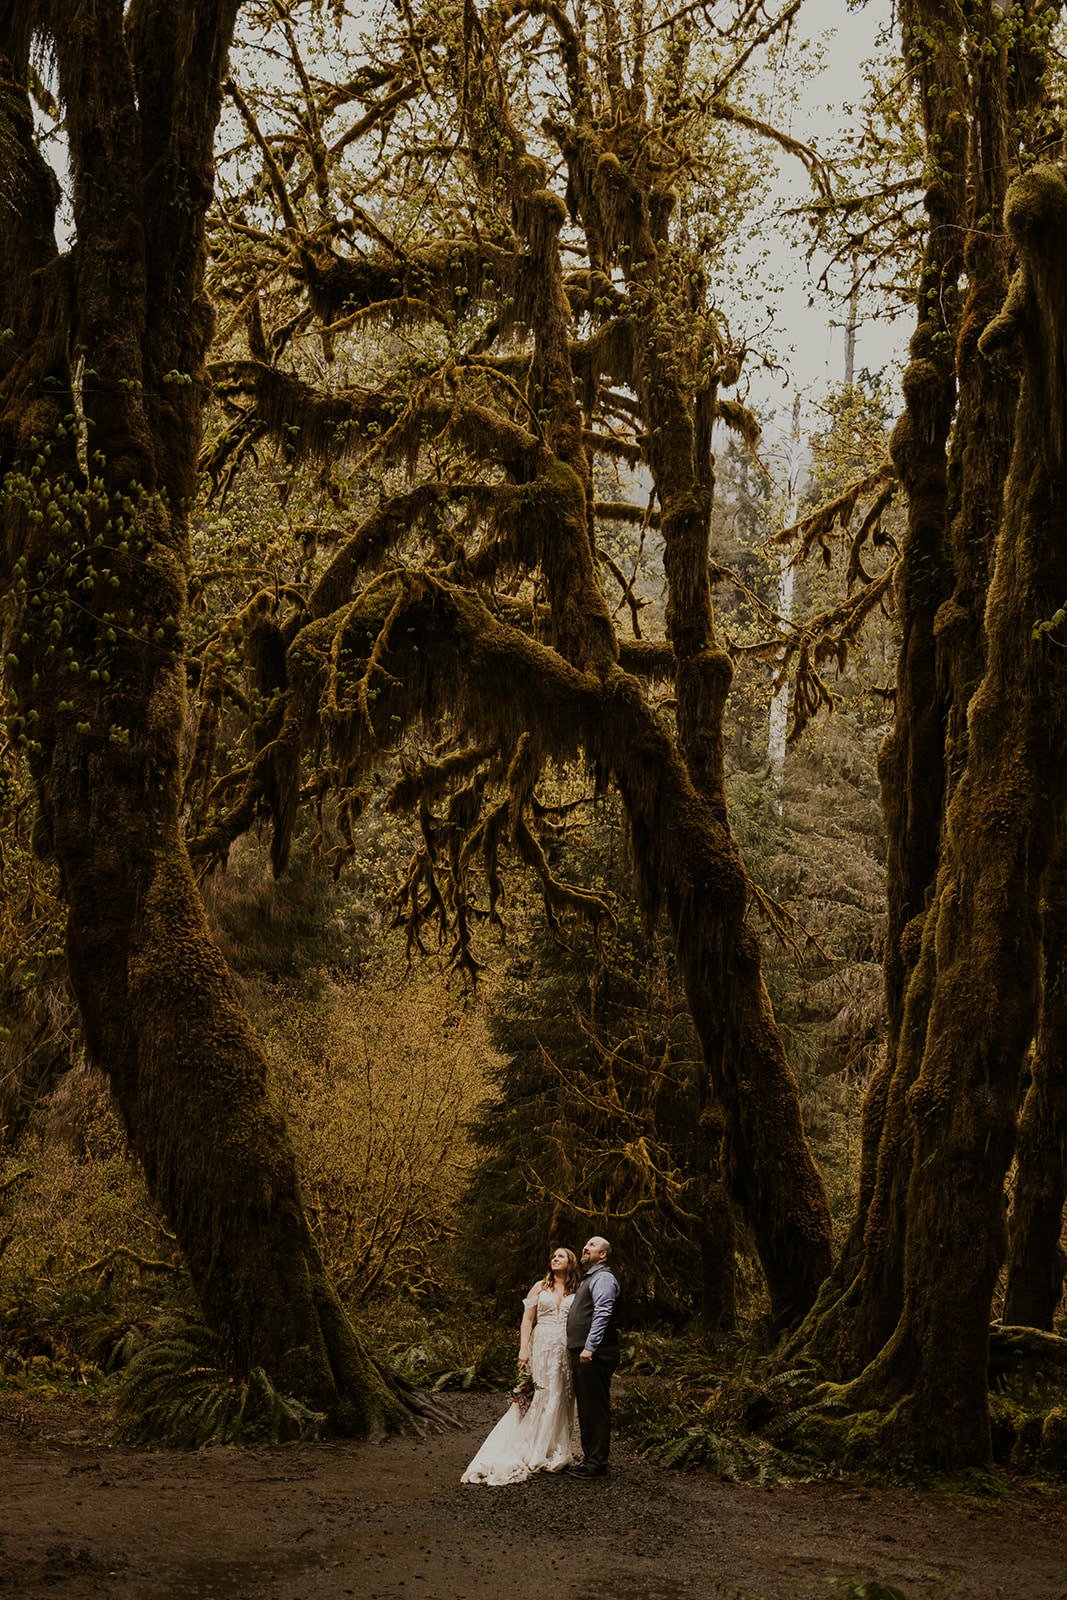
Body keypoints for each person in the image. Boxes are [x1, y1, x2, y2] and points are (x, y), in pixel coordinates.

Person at [461, 1246, 582, 1485]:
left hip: (564, 1348)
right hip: (542, 1344)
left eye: (561, 1256)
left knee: (560, 1394)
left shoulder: (576, 1290)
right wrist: (523, 1349)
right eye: (553, 1256)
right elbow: (527, 1320)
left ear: (571, 1262)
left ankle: (554, 1447)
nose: (555, 1258)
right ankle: (532, 1446)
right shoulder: (540, 1286)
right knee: (540, 1393)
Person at [565, 1235, 620, 1478]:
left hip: (594, 1353)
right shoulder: (590, 1279)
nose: (585, 1247)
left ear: (603, 1254)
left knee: (595, 1407)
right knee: (586, 1406)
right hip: (584, 1351)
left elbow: (603, 1312)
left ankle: (597, 1463)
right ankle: (591, 1459)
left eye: (592, 1245)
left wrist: (590, 1347)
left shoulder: (604, 1278)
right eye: (585, 1244)